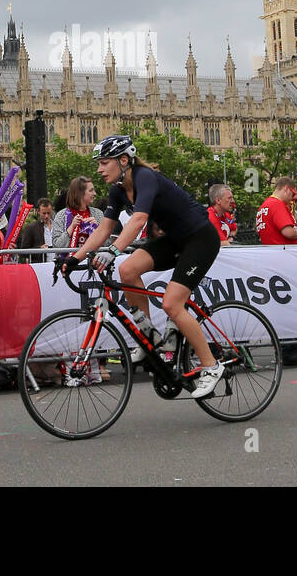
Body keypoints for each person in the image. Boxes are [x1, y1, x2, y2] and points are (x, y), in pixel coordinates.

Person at [69, 135, 226, 399]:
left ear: (123, 160)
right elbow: (105, 228)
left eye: (104, 162)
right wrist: (74, 257)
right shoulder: (117, 189)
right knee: (127, 270)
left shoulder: (144, 177)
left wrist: (113, 250)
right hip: (174, 240)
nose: (99, 169)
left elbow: (139, 218)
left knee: (171, 304)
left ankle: (211, 366)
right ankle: (149, 337)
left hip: (200, 238)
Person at [52, 177, 104, 252]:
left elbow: (107, 244)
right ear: (80, 193)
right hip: (69, 262)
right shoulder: (61, 215)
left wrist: (97, 229)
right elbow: (56, 246)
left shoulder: (98, 214)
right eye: (91, 190)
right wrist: (71, 228)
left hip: (93, 262)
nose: (94, 193)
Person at [255, 176, 297, 245]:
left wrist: (296, 228)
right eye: (293, 194)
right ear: (286, 189)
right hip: (287, 252)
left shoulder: (263, 206)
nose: (292, 198)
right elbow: (288, 232)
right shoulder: (277, 204)